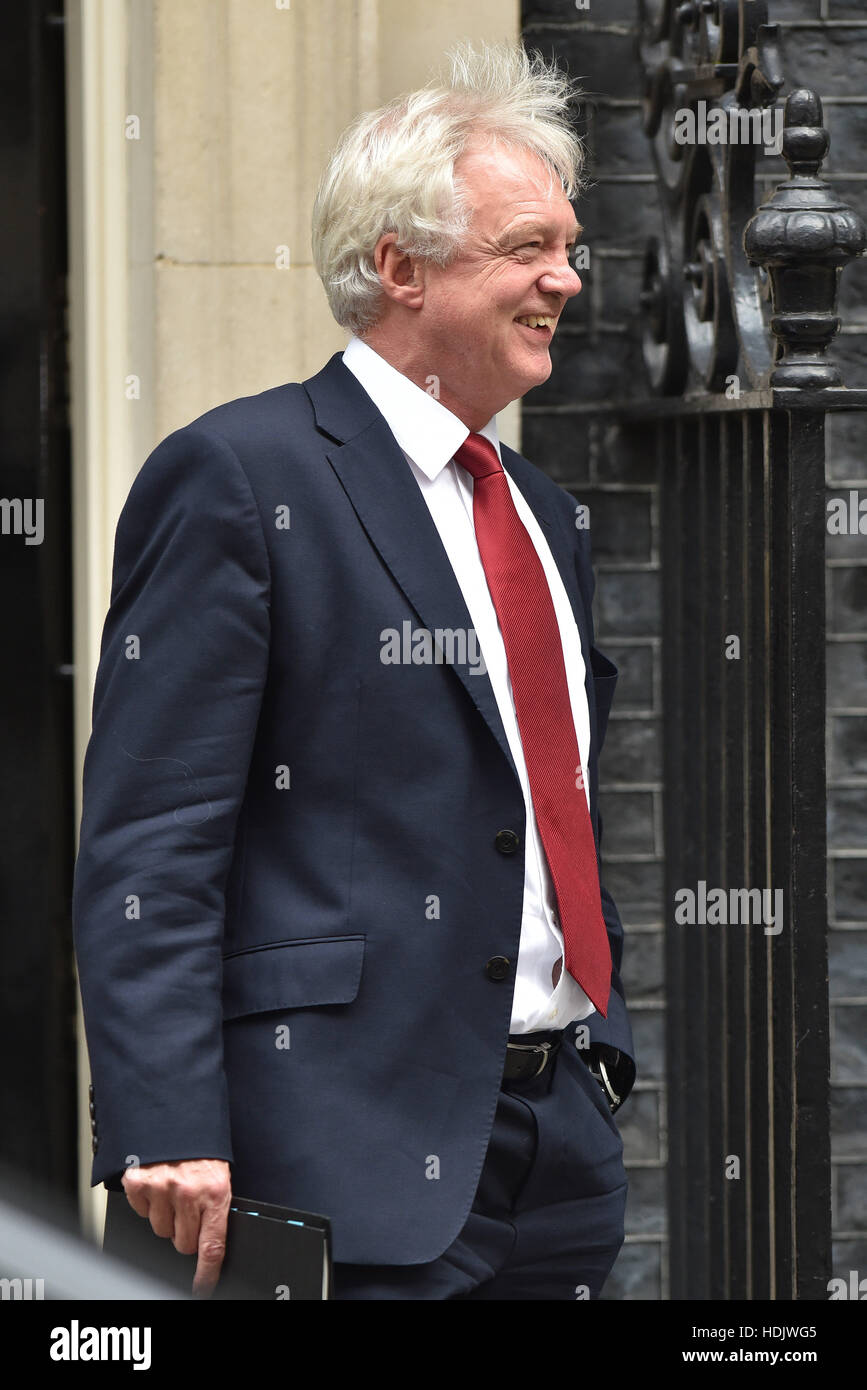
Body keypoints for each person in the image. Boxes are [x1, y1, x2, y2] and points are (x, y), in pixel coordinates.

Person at [72, 40, 636, 1302]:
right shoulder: (241, 476)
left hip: (556, 1159)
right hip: (333, 1161)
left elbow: (549, 806)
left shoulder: (546, 512)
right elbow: (151, 837)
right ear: (401, 266)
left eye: (571, 247)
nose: (566, 278)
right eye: (528, 247)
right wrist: (167, 1121)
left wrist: (603, 1052)